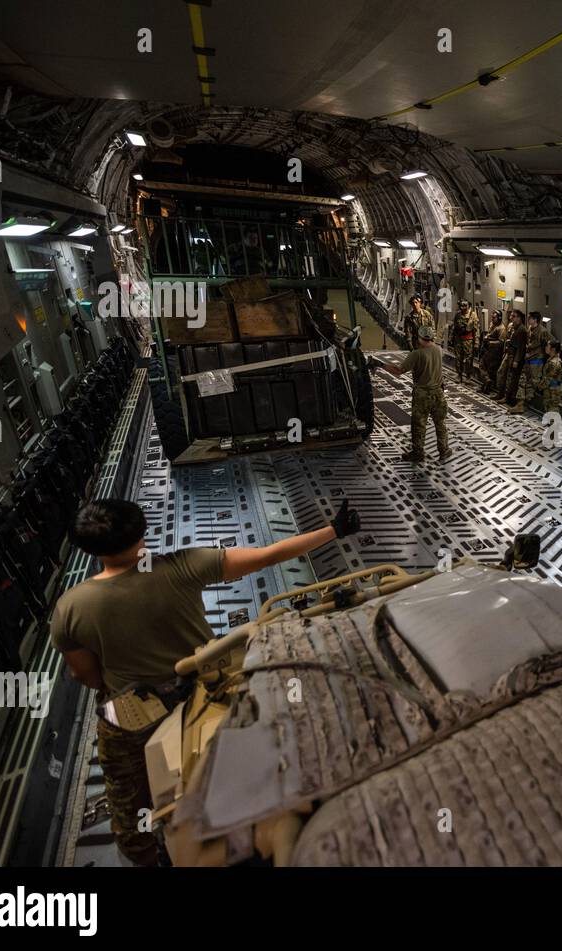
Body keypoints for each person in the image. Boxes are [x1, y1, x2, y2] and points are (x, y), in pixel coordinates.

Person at [51, 496, 362, 867]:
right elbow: (267, 556)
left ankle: (144, 853)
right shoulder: (184, 566)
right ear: (141, 533)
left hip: (136, 713)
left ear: (88, 548)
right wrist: (333, 530)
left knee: (127, 795)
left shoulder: (70, 608)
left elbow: (84, 674)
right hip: (207, 689)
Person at [398, 324, 451, 464]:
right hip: (438, 393)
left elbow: (399, 370)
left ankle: (418, 453)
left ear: (419, 337)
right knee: (440, 423)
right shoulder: (439, 350)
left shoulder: (417, 353)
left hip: (422, 395)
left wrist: (380, 365)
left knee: (419, 425)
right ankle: (444, 450)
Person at [510, 312, 547, 414]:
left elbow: (550, 344)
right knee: (522, 381)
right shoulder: (529, 330)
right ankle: (520, 404)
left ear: (535, 319)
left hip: (536, 362)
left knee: (533, 383)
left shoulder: (542, 331)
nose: (528, 319)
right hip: (528, 360)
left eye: (530, 318)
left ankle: (527, 403)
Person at [495, 309, 525, 401]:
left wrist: (516, 360)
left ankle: (507, 397)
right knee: (501, 373)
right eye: (511, 316)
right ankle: (500, 393)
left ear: (519, 318)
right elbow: (507, 340)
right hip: (508, 353)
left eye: (514, 316)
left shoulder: (522, 330)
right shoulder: (511, 326)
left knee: (510, 377)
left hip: (514, 355)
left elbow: (521, 347)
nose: (511, 318)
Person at [450, 300, 477, 383]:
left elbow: (476, 329)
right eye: (461, 305)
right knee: (458, 358)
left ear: (468, 306)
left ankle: (468, 376)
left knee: (469, 359)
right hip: (458, 339)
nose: (463, 307)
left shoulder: (472, 315)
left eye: (465, 305)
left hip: (468, 340)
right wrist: (451, 337)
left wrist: (476, 343)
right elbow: (454, 327)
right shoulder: (458, 315)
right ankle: (459, 375)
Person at [480, 311, 505, 394]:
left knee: (490, 370)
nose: (492, 319)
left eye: (494, 318)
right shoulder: (492, 324)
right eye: (492, 317)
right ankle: (486, 382)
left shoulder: (501, 328)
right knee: (483, 367)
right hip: (487, 350)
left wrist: (491, 342)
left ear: (499, 318)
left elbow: (501, 342)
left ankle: (487, 385)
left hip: (494, 352)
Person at [541, 339, 562, 415]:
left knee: (552, 409)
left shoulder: (554, 363)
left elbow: (549, 377)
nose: (546, 347)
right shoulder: (551, 359)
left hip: (553, 389)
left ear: (553, 349)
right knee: (548, 407)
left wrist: (540, 386)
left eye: (548, 346)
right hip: (551, 388)